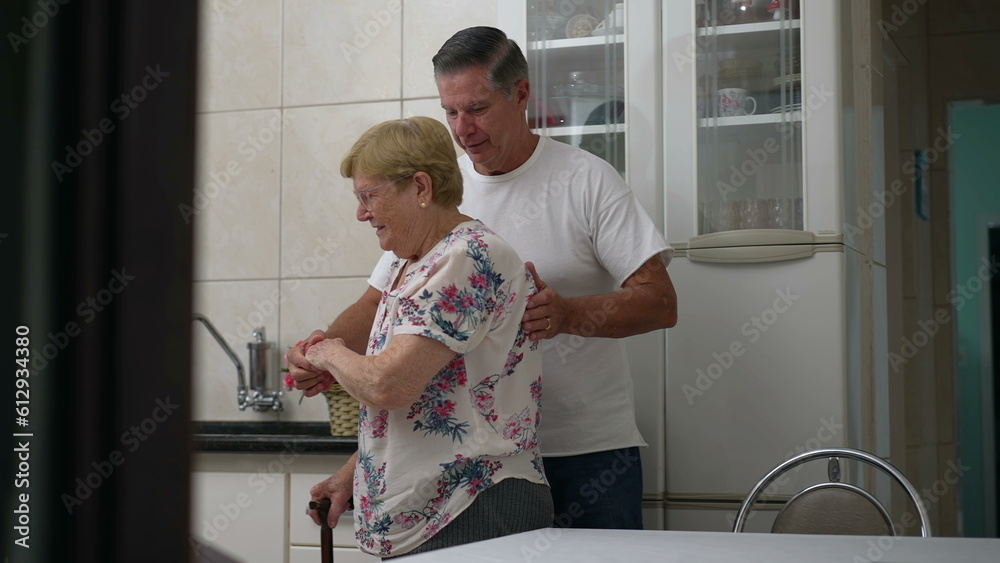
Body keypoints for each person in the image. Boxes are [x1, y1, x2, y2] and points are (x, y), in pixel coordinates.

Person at [290, 26, 677, 531]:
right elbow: (376, 307)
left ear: (520, 94)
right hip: (476, 466)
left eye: (476, 108)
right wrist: (323, 350)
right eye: (450, 111)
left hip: (584, 449)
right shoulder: (439, 191)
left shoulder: (586, 180)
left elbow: (659, 301)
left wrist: (566, 315)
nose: (462, 127)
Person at [291, 116, 553, 558]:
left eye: (368, 196)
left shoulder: (467, 257)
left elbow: (389, 384)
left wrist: (327, 352)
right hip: (441, 509)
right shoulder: (409, 264)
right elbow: (435, 402)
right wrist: (354, 474)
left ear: (421, 187)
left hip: (476, 505)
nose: (361, 212)